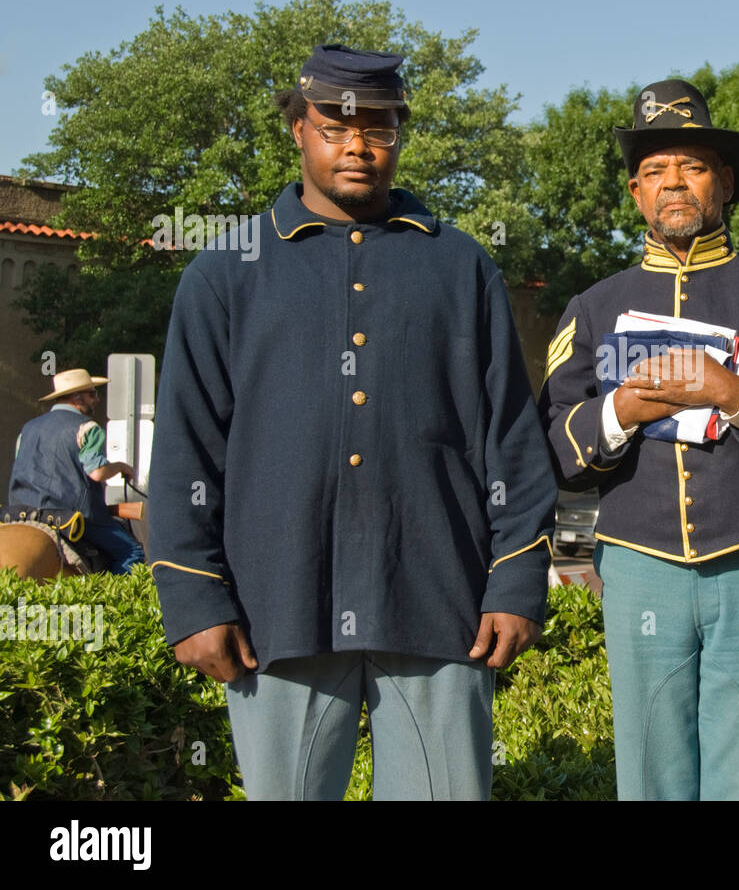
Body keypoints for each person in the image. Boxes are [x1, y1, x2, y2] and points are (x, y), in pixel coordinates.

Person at [148, 44, 555, 800]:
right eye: (335, 126)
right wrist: (195, 596)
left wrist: (517, 578)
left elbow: (512, 440)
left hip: (440, 602)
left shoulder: (460, 266)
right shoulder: (225, 271)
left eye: (379, 127)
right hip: (278, 605)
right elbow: (184, 450)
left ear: (400, 133)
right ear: (297, 129)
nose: (358, 146)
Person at [538, 79, 739, 799]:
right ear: (633, 193)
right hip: (639, 563)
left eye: (692, 166)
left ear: (727, 183)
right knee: (649, 770)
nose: (672, 182)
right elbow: (552, 445)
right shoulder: (591, 308)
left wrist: (735, 396)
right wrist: (620, 407)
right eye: (654, 170)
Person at [8, 368, 144, 575]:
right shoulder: (88, 428)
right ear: (77, 397)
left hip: (21, 513)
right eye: (92, 394)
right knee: (132, 551)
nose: (97, 399)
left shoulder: (27, 429)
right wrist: (120, 467)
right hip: (71, 515)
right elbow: (97, 472)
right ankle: (111, 605)